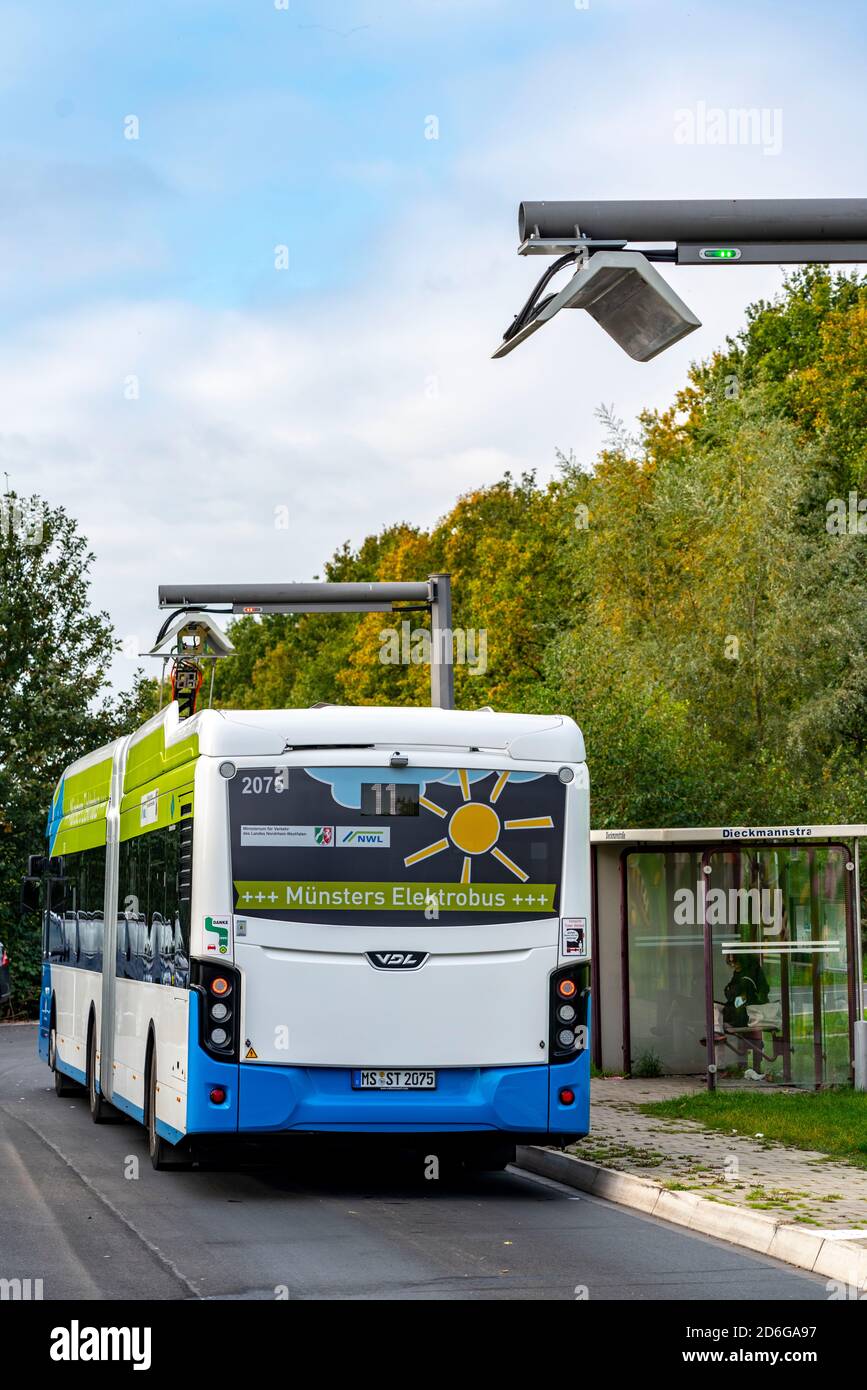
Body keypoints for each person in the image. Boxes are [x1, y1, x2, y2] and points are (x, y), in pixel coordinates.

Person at [721, 952, 769, 1029]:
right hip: (744, 1007)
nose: (733, 965)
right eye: (731, 962)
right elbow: (730, 992)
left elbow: (762, 990)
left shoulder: (752, 971)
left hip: (751, 1009)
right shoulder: (738, 972)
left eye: (735, 962)